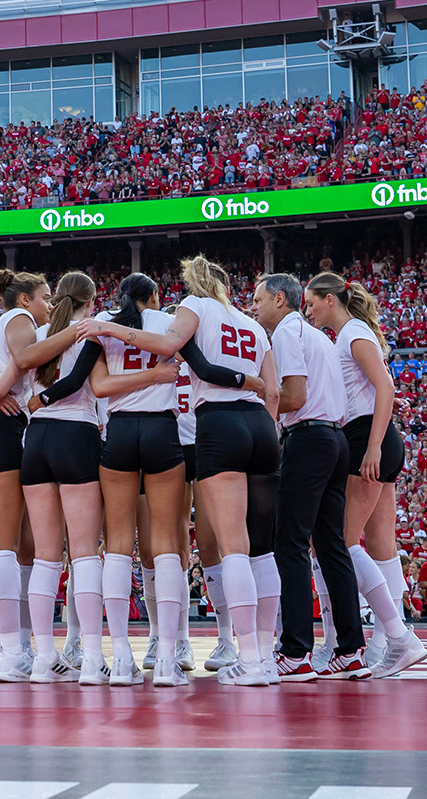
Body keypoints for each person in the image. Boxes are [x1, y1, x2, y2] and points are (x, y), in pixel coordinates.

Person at [100, 256, 281, 686]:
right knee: (238, 547)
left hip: (202, 432)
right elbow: (271, 390)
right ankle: (227, 646)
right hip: (222, 430)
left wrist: (110, 327)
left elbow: (183, 357)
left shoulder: (182, 319)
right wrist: (251, 393)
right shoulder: (249, 325)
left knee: (208, 545)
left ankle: (222, 643)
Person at [0, 268, 98, 683]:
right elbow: (17, 369)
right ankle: (14, 653)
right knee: (6, 549)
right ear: (24, 300)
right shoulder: (21, 323)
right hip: (4, 432)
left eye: (52, 297)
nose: (48, 303)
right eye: (43, 296)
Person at [302, 271, 423, 677]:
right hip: (377, 435)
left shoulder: (352, 333)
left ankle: (391, 637)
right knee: (382, 544)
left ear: (330, 300)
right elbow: (377, 388)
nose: (309, 311)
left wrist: (372, 446)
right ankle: (385, 641)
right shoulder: (352, 333)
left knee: (339, 541)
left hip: (367, 439)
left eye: (311, 303)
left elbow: (385, 387)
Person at [250, 272, 368, 679]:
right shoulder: (320, 337)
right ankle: (350, 649)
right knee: (332, 545)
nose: (254, 306)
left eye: (259, 299)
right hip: (335, 439)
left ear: (280, 299)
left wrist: (258, 397)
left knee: (291, 543)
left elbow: (295, 397)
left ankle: (295, 649)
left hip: (308, 438)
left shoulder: (286, 332)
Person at [86, 274, 192, 685]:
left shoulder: (103, 322)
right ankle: (166, 657)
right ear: (156, 296)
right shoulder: (168, 322)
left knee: (116, 546)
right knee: (165, 544)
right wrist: (155, 376)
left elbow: (99, 387)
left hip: (119, 429)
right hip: (162, 428)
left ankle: (120, 659)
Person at [19, 273, 111, 683]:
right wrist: (45, 397)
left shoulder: (38, 334)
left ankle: (44, 657)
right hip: (75, 433)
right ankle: (91, 658)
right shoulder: (89, 331)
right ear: (90, 300)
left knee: (46, 557)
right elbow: (76, 383)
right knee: (85, 554)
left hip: (36, 438)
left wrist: (38, 400)